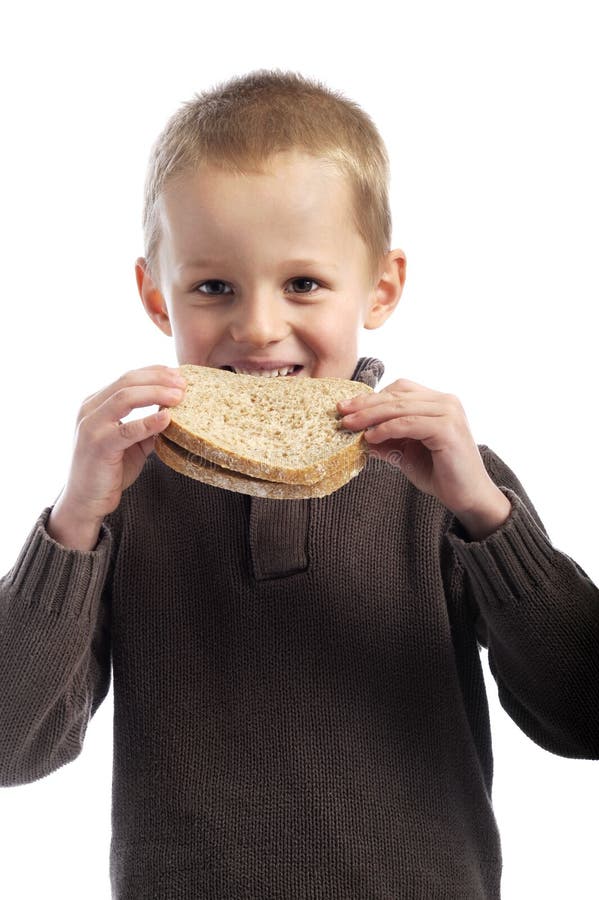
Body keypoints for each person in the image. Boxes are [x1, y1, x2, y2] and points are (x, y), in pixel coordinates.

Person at [1, 69, 598, 899]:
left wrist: (489, 520)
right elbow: (9, 747)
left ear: (381, 287)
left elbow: (583, 717)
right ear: (154, 296)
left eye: (304, 284)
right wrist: (70, 526)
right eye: (213, 287)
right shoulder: (122, 500)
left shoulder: (450, 487)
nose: (256, 327)